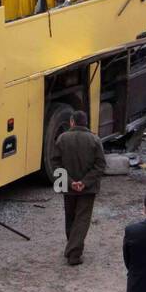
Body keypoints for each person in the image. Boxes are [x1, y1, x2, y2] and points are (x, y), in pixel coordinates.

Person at [51, 110, 106, 266]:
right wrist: (85, 182)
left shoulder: (62, 139)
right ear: (86, 123)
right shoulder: (95, 140)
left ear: (72, 122)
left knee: (70, 217)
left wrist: (70, 182)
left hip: (67, 187)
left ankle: (72, 245)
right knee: (82, 219)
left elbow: (55, 164)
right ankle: (74, 253)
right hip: (88, 189)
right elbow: (100, 165)